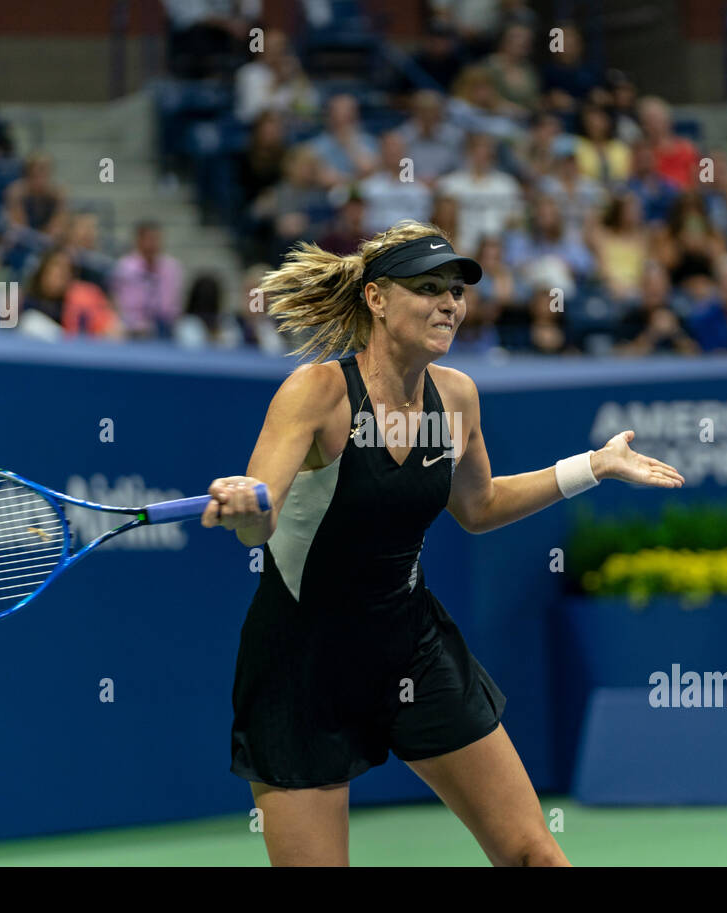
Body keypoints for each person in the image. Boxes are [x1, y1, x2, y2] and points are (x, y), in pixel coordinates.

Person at [201, 221, 683, 866]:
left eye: (455, 291)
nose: (450, 304)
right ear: (376, 299)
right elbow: (259, 521)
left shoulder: (455, 397)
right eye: (428, 289)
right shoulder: (316, 393)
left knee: (533, 855)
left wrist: (591, 466)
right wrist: (242, 506)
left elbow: (479, 507)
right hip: (300, 660)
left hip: (413, 645)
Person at [110, 220, 184, 339]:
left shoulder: (172, 268)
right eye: (149, 239)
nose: (153, 244)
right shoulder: (124, 267)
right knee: (115, 329)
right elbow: (116, 301)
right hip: (131, 324)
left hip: (165, 324)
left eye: (156, 239)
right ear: (138, 240)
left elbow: (173, 305)